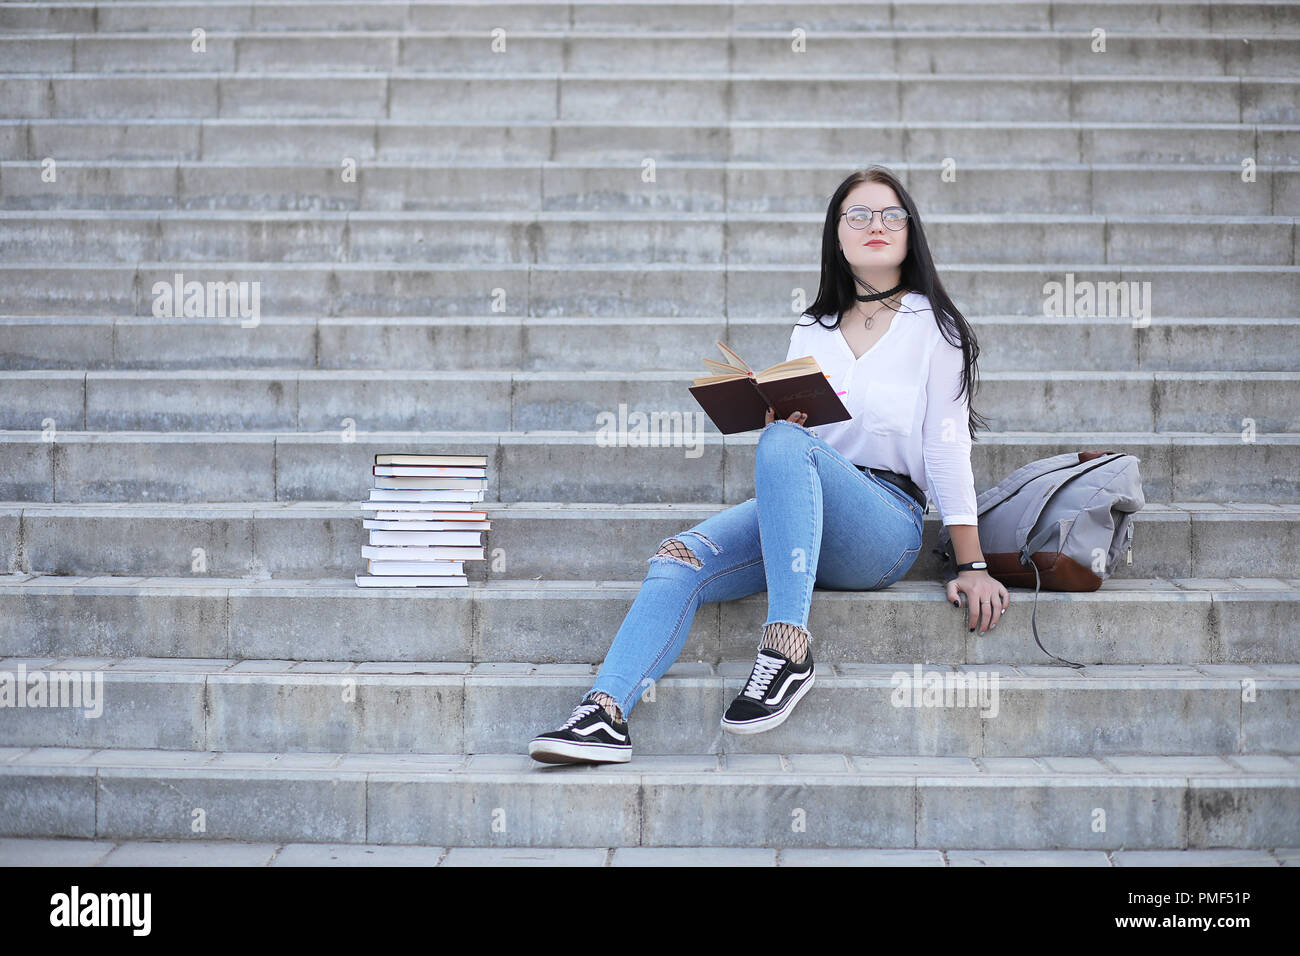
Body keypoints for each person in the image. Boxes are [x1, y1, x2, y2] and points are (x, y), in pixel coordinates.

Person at [528, 165, 1011, 765]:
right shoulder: (812, 328)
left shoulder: (936, 330)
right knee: (679, 558)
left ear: (912, 233)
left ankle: (787, 649)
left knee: (784, 443)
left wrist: (972, 563)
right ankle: (603, 714)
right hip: (801, 514)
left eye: (892, 214)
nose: (876, 225)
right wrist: (785, 421)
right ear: (837, 236)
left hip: (884, 522)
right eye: (857, 215)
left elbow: (946, 446)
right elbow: (799, 430)